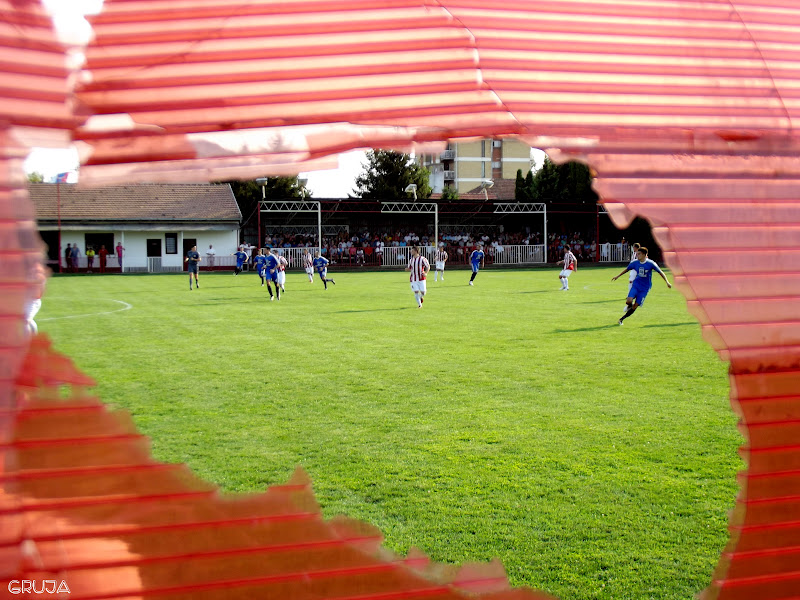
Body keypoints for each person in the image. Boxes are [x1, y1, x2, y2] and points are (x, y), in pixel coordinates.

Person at [612, 246, 672, 325]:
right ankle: (629, 306)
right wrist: (617, 276)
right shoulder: (635, 263)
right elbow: (627, 269)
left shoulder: (651, 263)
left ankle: (621, 319)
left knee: (635, 305)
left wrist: (667, 282)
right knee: (628, 301)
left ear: (644, 254)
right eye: (637, 254)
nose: (637, 255)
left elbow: (660, 272)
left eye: (639, 254)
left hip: (645, 288)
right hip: (636, 285)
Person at [25, 257, 47, 335]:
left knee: (25, 322)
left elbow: (39, 294)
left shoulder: (39, 276)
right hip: (25, 300)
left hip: (33, 302)